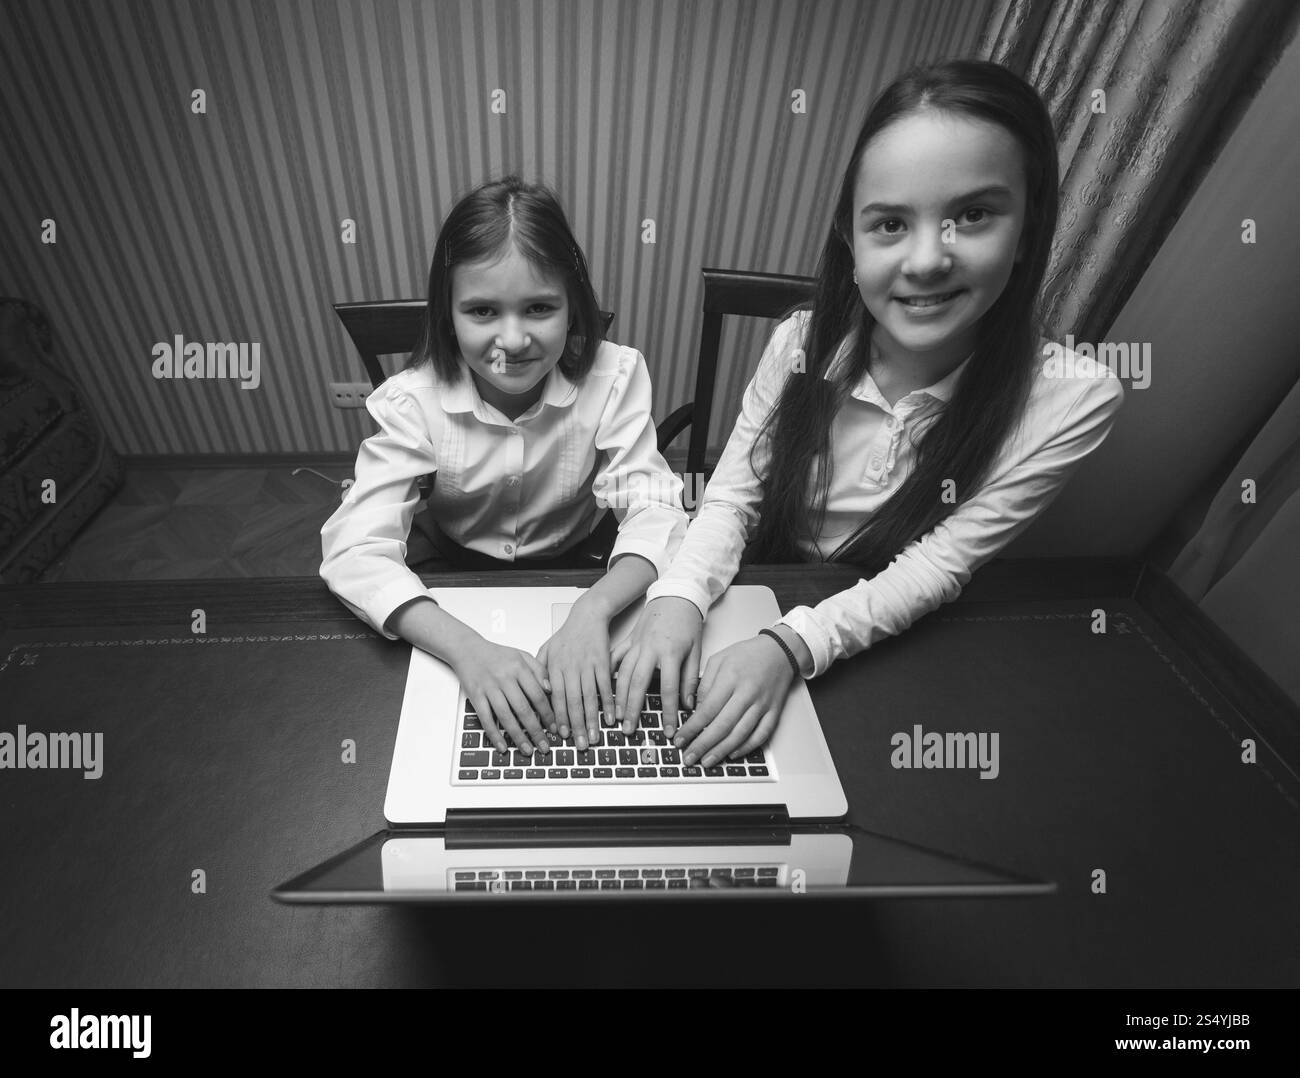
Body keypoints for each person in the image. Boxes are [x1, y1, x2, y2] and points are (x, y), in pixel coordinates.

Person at [612, 58, 1125, 770]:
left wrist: (790, 646)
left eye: (972, 215)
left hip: (874, 639)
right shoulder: (799, 341)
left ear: (1029, 229)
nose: (925, 260)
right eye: (889, 223)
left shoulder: (1071, 398)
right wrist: (678, 596)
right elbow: (730, 498)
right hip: (756, 591)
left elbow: (939, 566)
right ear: (849, 241)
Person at [321, 176, 686, 758]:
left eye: (539, 308)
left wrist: (593, 608)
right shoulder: (413, 400)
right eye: (483, 311)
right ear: (449, 314)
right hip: (452, 572)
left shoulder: (614, 376)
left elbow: (657, 506)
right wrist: (468, 651)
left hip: (581, 564)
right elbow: (353, 550)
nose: (511, 341)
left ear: (573, 307)